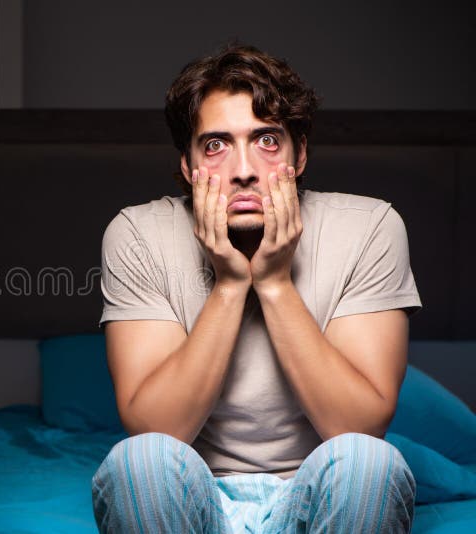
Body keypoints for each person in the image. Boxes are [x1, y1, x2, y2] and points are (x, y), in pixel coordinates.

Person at [91, 43, 421, 533]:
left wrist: (274, 282)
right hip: (193, 499)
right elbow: (157, 431)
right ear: (187, 165)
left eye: (267, 140)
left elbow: (360, 427)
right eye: (216, 145)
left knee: (371, 461)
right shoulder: (138, 234)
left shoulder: (370, 227)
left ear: (300, 153)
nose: (244, 170)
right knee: (137, 460)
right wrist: (228, 284)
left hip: (318, 498)